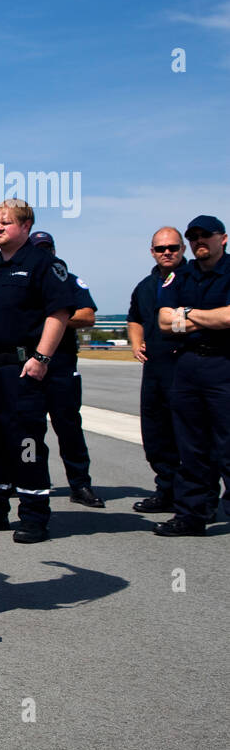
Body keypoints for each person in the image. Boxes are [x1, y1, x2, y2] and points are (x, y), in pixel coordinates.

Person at [0, 200, 75, 544]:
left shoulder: (43, 264)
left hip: (23, 368)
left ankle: (33, 513)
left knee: (25, 442)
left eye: (6, 223)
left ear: (26, 226)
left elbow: (58, 313)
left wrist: (42, 358)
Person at [155, 215, 230, 537]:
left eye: (206, 235)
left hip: (224, 365)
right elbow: (163, 322)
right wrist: (210, 319)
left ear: (222, 239)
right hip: (187, 366)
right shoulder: (179, 277)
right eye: (194, 236)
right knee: (191, 446)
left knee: (228, 444)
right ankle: (191, 515)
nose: (200, 241)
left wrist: (186, 315)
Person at [28, 231, 104, 507]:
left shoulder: (67, 280)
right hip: (28, 364)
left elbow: (87, 315)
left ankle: (80, 484)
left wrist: (53, 317)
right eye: (38, 248)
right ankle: (30, 482)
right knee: (27, 431)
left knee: (69, 427)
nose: (44, 253)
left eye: (48, 248)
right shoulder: (23, 278)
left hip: (60, 366)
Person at [127, 228, 187, 512]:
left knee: (189, 436)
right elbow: (135, 318)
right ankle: (166, 490)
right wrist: (137, 344)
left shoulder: (192, 280)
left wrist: (177, 335)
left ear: (182, 249)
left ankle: (195, 497)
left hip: (185, 368)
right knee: (155, 433)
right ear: (152, 251)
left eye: (173, 247)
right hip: (154, 370)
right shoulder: (145, 286)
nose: (167, 252)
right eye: (161, 248)